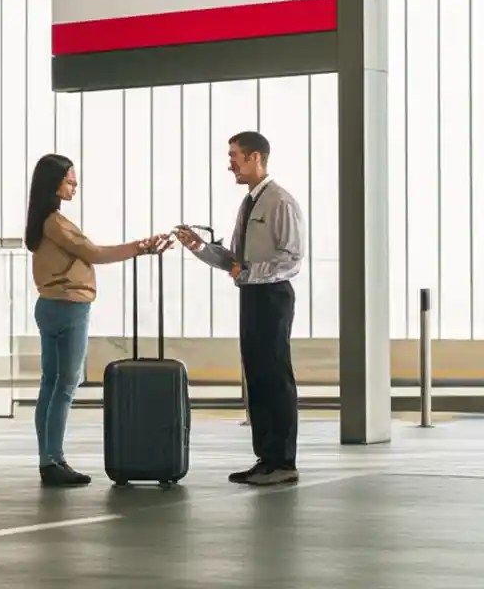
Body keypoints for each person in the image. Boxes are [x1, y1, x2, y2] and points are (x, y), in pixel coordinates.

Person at [25, 153, 172, 487]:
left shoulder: (43, 221)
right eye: (70, 180)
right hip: (69, 307)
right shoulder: (56, 223)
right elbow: (95, 254)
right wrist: (140, 247)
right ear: (54, 182)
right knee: (65, 385)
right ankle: (54, 460)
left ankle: (47, 458)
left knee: (50, 384)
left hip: (48, 305)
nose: (75, 186)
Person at [175, 131, 305, 486]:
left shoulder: (280, 202)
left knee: (275, 377)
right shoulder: (249, 203)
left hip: (273, 296)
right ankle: (265, 458)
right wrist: (200, 247)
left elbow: (291, 258)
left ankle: (283, 462)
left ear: (255, 158)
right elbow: (234, 260)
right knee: (257, 376)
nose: (229, 162)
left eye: (235, 155)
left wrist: (247, 272)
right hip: (251, 295)